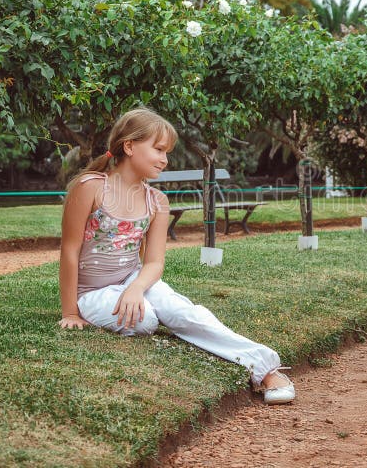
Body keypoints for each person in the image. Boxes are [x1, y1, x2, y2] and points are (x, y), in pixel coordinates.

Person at [58, 107, 295, 405]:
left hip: (133, 280)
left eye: (166, 152)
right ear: (129, 146)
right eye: (158, 149)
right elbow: (69, 250)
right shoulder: (90, 187)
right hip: (91, 292)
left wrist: (135, 287)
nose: (164, 159)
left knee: (183, 312)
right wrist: (70, 312)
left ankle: (266, 369)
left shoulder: (157, 201)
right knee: (145, 320)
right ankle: (121, 310)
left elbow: (155, 262)